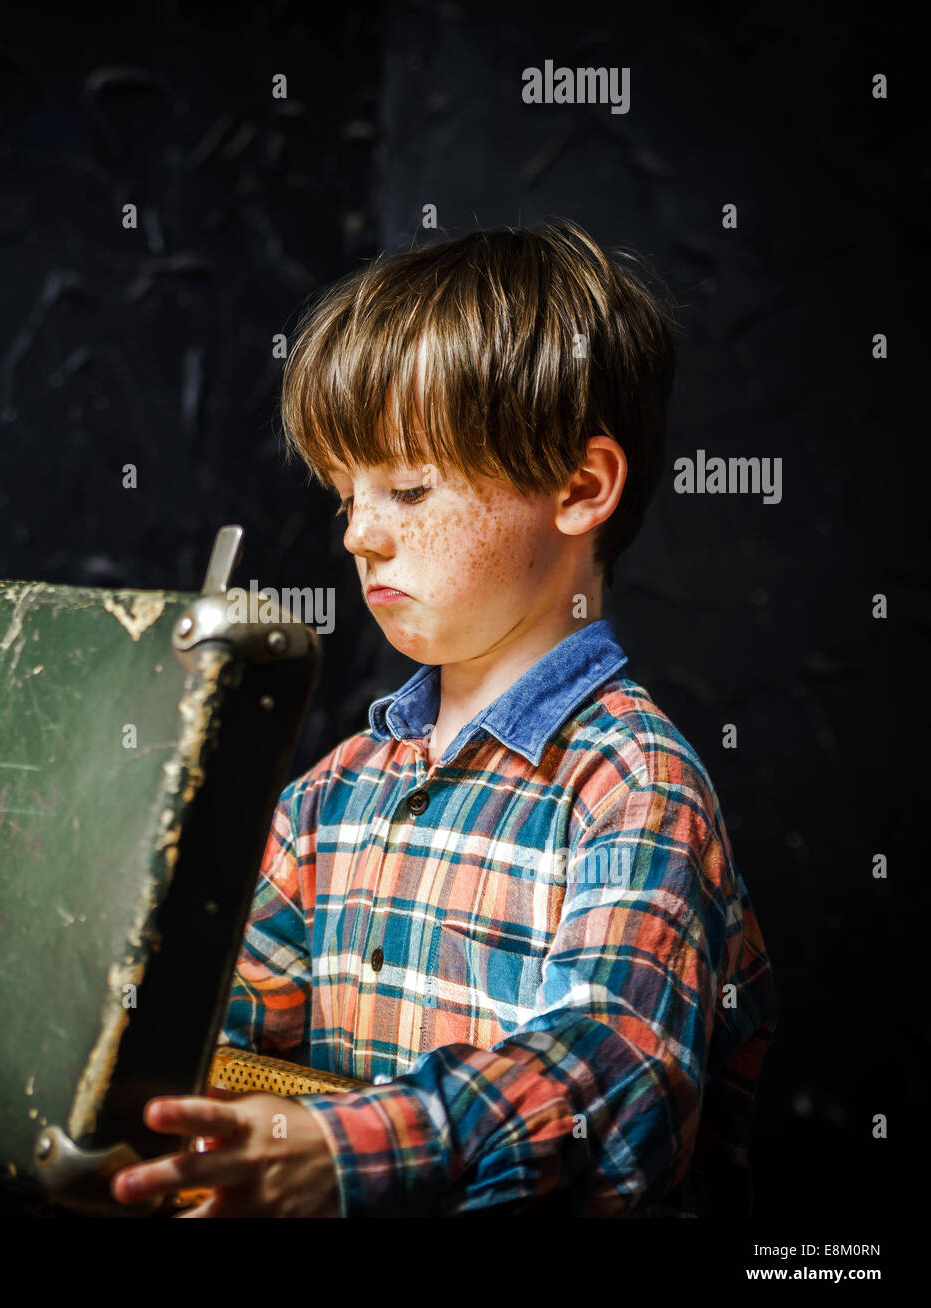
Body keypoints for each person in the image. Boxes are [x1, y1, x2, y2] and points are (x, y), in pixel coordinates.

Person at [106, 219, 780, 1217]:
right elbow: (227, 1010)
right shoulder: (336, 791)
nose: (359, 535)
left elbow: (610, 1078)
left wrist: (344, 1153)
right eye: (346, 495)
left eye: (408, 488)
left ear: (579, 486)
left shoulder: (632, 783)